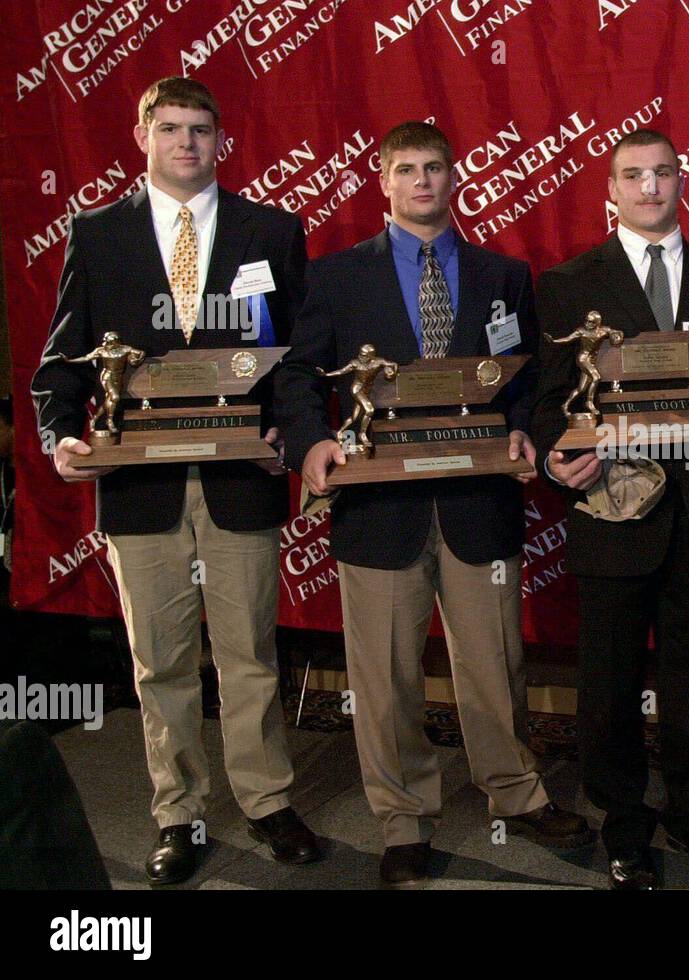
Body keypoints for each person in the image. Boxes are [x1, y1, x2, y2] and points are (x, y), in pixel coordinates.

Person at [275, 121, 591, 886]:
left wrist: (520, 431)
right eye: (407, 169)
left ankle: (513, 791)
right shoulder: (336, 277)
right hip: (379, 513)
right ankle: (403, 818)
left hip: (479, 504)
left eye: (436, 168)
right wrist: (311, 443)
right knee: (384, 677)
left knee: (494, 665)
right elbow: (294, 376)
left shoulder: (504, 274)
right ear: (383, 179)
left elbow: (522, 383)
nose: (423, 181)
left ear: (456, 179)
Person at [31, 76, 320, 885]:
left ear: (221, 140)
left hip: (241, 479)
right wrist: (59, 436)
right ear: (142, 135)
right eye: (170, 128)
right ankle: (179, 814)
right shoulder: (96, 235)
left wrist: (289, 435)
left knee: (249, 654)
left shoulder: (272, 230)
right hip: (137, 486)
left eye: (200, 128)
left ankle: (266, 801)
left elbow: (300, 358)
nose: (186, 142)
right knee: (159, 662)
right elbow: (61, 362)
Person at [530, 129, 689, 889]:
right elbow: (547, 398)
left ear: (682, 181)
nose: (649, 187)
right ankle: (622, 827)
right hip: (610, 512)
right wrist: (559, 450)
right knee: (609, 689)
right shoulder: (566, 283)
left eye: (662, 173)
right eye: (633, 176)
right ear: (610, 192)